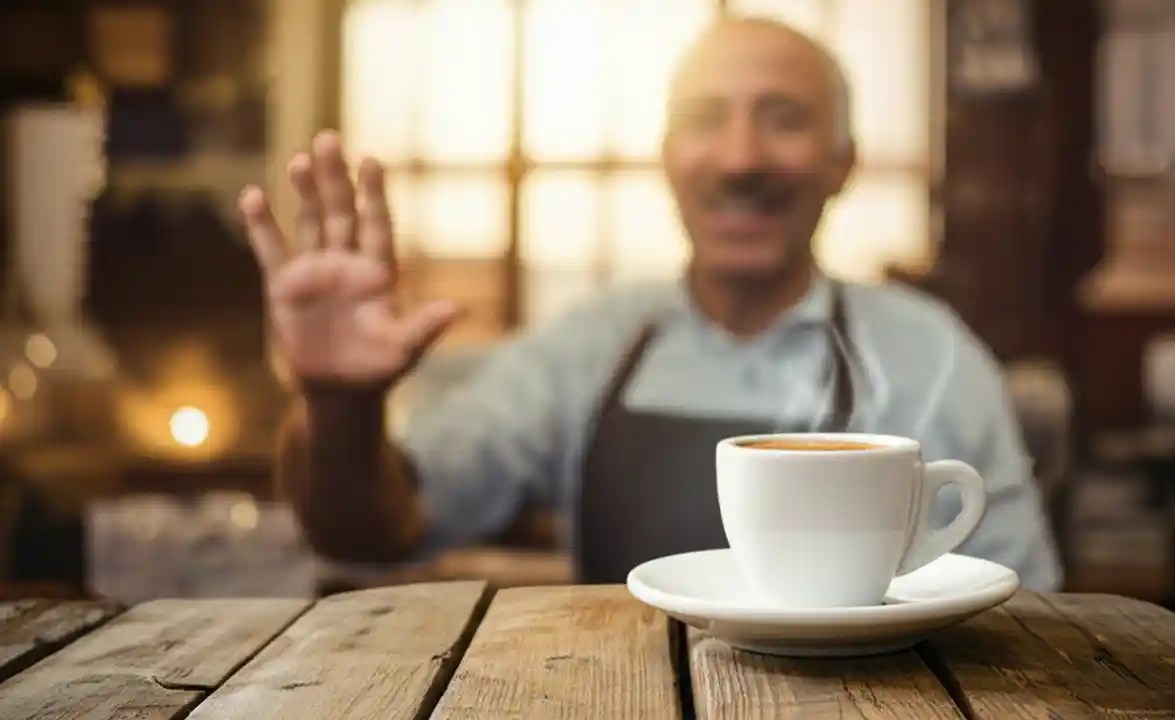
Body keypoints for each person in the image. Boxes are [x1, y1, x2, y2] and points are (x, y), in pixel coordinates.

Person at [239, 18, 1062, 590]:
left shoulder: (931, 354)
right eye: (708, 120)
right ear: (669, 158)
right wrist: (340, 405)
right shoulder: (589, 346)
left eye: (784, 119)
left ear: (841, 162)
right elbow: (373, 531)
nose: (742, 157)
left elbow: (1027, 603)